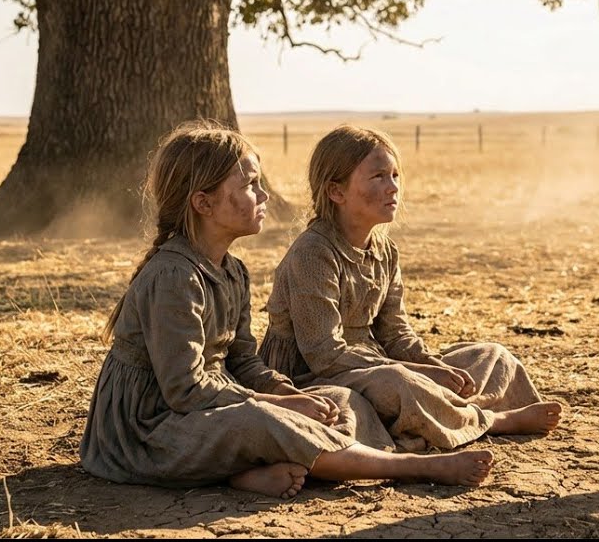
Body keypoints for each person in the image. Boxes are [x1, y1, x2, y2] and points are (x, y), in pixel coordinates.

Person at [79, 121, 493, 499]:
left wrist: (286, 392)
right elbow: (184, 390)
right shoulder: (174, 276)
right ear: (203, 203)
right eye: (250, 186)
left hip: (208, 409)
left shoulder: (233, 271)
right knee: (261, 422)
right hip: (149, 429)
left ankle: (243, 473)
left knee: (336, 399)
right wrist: (274, 405)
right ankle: (416, 467)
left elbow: (242, 360)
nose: (263, 196)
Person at [258, 125, 562, 451]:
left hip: (375, 364)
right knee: (397, 385)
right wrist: (414, 372)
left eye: (395, 176)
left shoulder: (385, 251)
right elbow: (323, 355)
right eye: (378, 177)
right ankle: (491, 420)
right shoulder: (313, 253)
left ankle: (445, 415)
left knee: (493, 357)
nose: (392, 188)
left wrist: (435, 366)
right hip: (314, 378)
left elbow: (396, 334)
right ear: (336, 191)